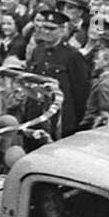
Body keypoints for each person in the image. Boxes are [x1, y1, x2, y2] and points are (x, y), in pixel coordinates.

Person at [26, 7, 90, 136]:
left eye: (51, 29)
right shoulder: (37, 50)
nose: (46, 32)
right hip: (36, 115)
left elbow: (80, 92)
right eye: (44, 27)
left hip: (60, 119)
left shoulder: (72, 56)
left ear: (61, 30)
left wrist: (74, 121)